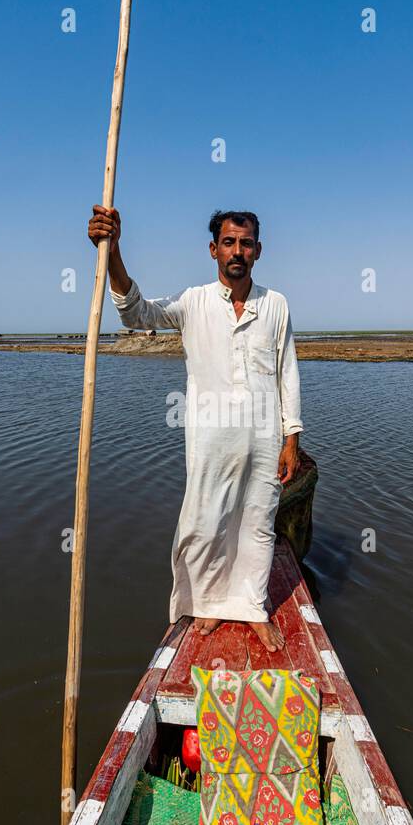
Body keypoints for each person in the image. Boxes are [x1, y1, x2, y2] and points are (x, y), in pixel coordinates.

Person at [86, 206, 303, 652]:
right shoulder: (194, 303)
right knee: (207, 522)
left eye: (245, 243)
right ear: (213, 250)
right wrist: (114, 251)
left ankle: (252, 607)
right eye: (229, 242)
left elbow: (287, 373)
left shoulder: (275, 304)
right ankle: (206, 602)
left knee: (258, 523)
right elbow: (137, 314)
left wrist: (291, 437)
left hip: (264, 437)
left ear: (258, 251)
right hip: (210, 439)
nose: (237, 251)